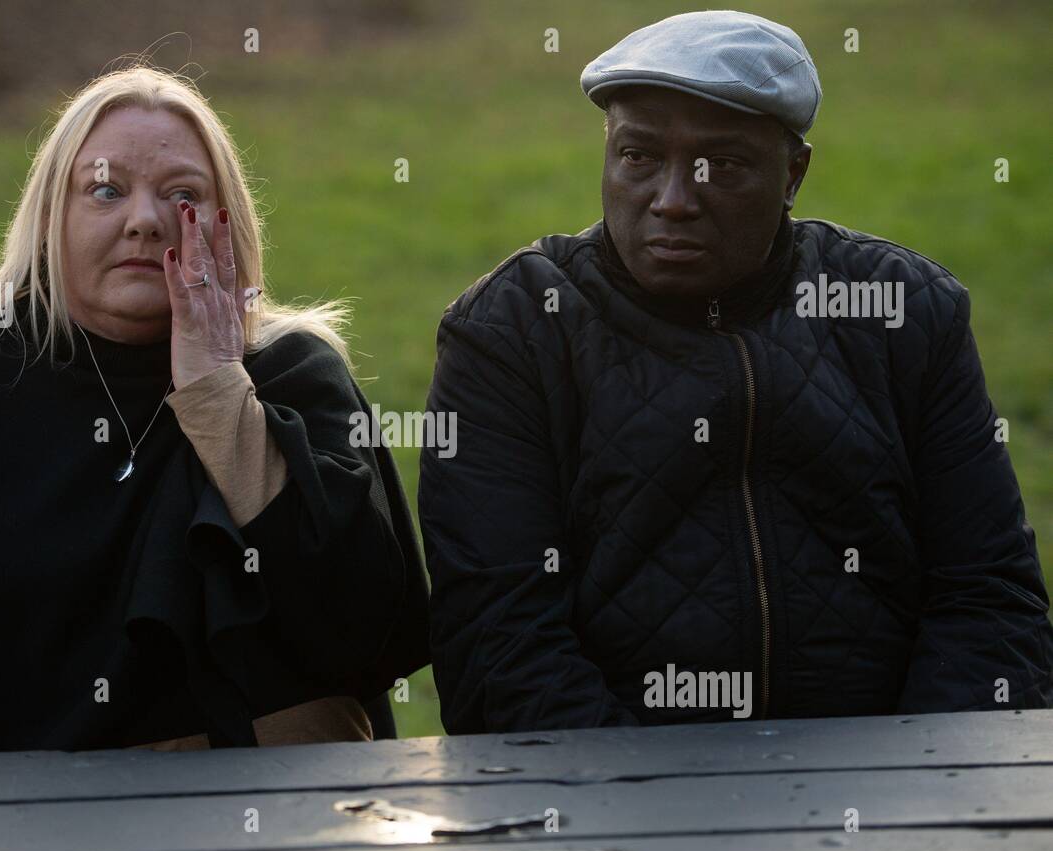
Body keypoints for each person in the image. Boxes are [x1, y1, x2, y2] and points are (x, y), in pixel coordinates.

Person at [419, 11, 1052, 732]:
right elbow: (498, 644)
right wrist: (651, 821)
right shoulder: (514, 331)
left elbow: (988, 599)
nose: (673, 200)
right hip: (611, 817)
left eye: (722, 165)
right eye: (638, 157)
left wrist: (915, 792)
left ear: (794, 174)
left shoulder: (904, 312)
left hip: (887, 792)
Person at [0, 65, 428, 756]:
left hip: (267, 822)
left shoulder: (293, 374)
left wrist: (218, 390)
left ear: (227, 224)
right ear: (48, 221)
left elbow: (369, 633)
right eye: (104, 190)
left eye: (181, 195)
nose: (145, 221)